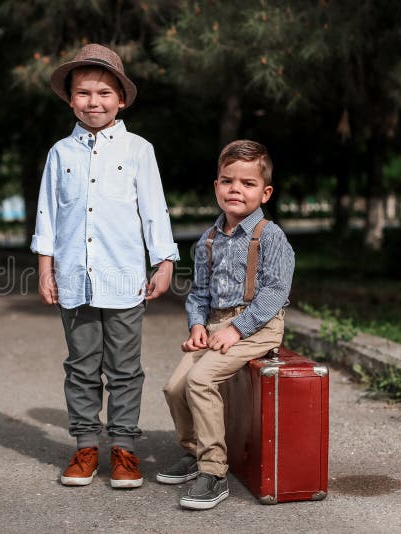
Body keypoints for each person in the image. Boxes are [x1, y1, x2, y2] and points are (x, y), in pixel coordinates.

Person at [30, 43, 179, 489]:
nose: (93, 102)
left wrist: (165, 261)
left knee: (125, 369)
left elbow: (155, 210)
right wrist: (44, 268)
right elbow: (48, 215)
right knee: (81, 366)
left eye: (103, 93)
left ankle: (125, 450)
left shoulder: (138, 150)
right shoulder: (60, 154)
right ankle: (84, 447)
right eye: (83, 93)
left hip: (125, 280)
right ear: (69, 98)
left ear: (121, 99)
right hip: (74, 280)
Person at [157, 140, 294, 509]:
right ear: (216, 186)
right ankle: (195, 451)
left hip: (258, 326)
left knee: (201, 381)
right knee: (174, 387)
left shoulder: (270, 236)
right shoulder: (208, 240)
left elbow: (275, 292)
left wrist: (237, 330)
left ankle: (214, 472)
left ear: (264, 192)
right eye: (227, 180)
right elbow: (199, 293)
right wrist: (197, 326)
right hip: (217, 325)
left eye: (247, 184)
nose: (236, 189)